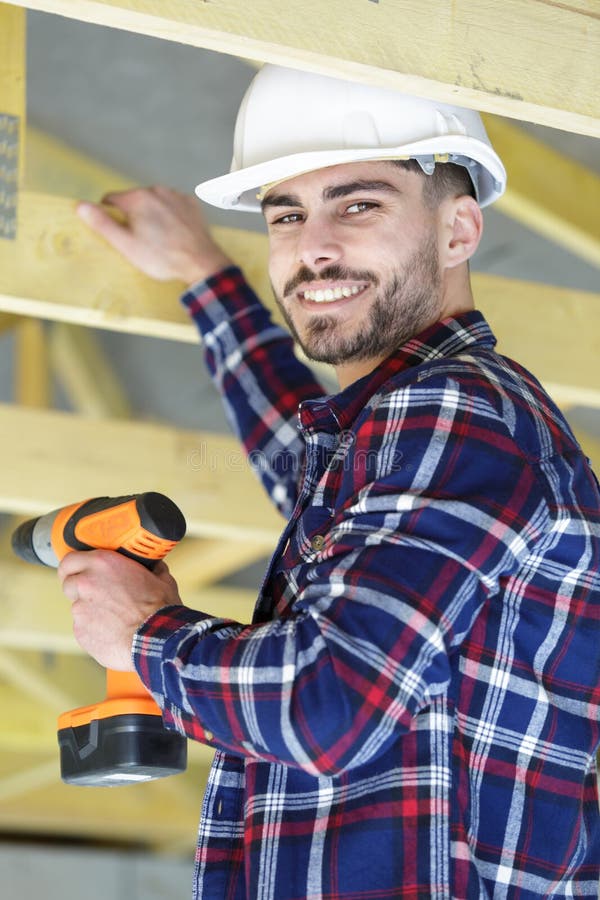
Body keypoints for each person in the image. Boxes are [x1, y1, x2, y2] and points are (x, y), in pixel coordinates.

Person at [59, 65, 600, 898]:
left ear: (460, 231)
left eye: (358, 205)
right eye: (286, 214)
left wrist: (142, 634)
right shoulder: (424, 430)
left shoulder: (459, 412)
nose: (313, 247)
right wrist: (208, 279)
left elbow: (326, 702)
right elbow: (310, 477)